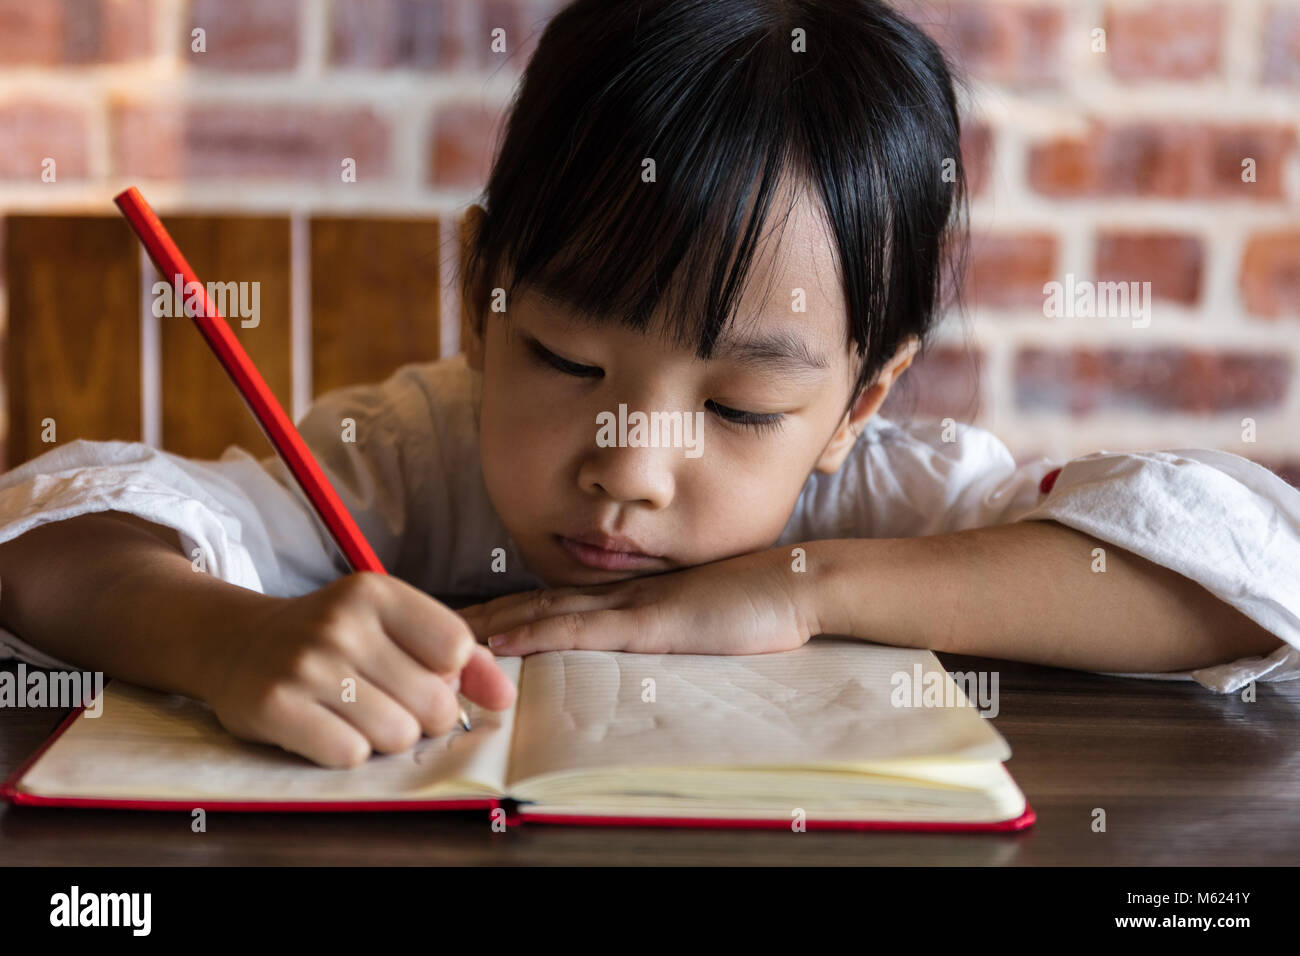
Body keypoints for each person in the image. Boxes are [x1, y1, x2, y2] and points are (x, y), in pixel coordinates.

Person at [0, 0, 1295, 770]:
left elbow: (1244, 575)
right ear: (479, 297)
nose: (626, 461)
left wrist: (799, 590)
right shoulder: (408, 459)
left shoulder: (894, 499)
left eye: (739, 409)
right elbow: (46, 545)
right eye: (566, 361)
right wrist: (226, 638)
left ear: (858, 406)